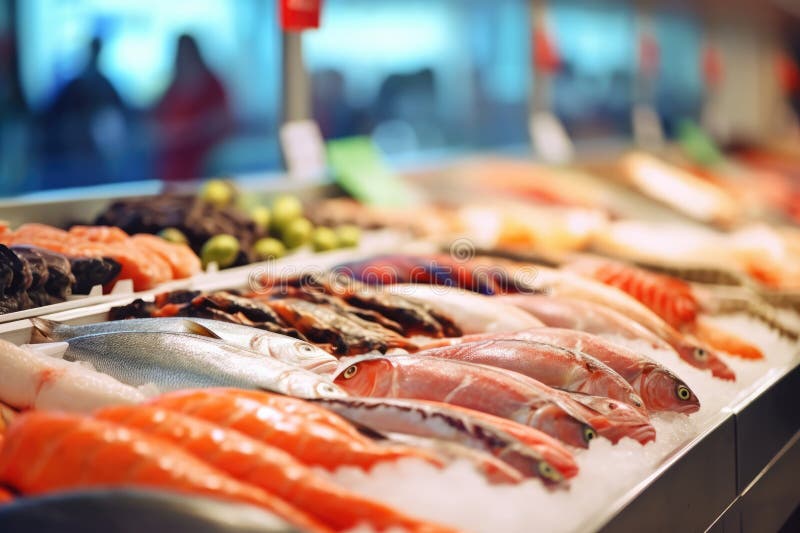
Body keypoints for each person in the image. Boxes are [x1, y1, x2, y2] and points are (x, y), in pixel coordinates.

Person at [40, 36, 127, 189]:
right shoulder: (75, 85)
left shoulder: (104, 84)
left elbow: (120, 119)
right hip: (73, 158)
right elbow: (56, 118)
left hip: (98, 158)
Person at [154, 34, 232, 181]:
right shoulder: (173, 85)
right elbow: (158, 122)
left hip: (207, 161)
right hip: (175, 163)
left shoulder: (212, 83)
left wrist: (191, 130)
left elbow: (221, 120)